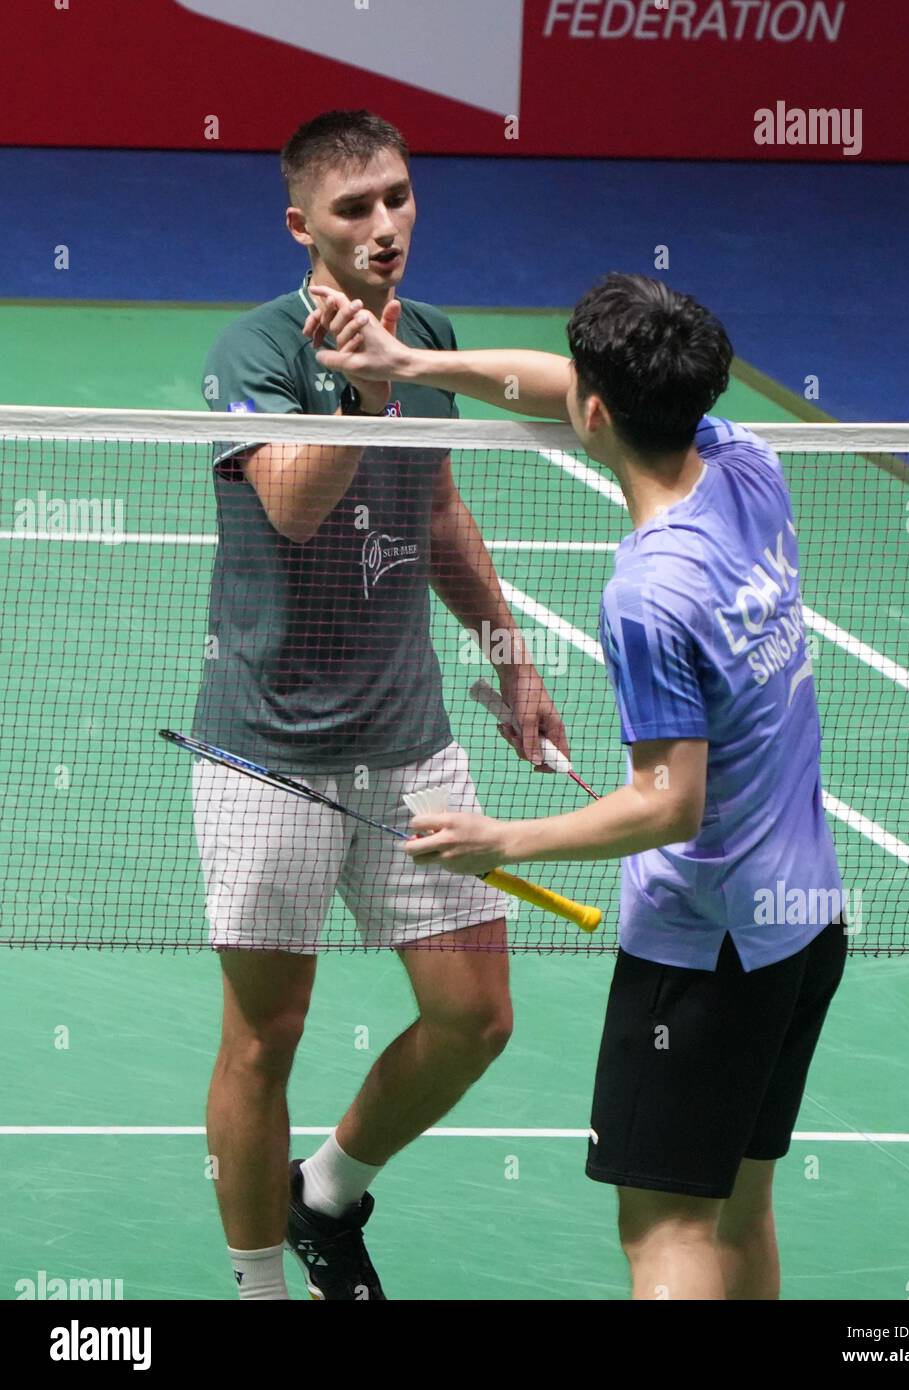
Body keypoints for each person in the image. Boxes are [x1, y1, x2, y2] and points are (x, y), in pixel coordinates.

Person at [310, 271, 848, 1300]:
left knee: (665, 1235)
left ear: (595, 412)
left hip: (704, 948)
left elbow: (665, 803)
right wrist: (410, 364)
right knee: (739, 1211)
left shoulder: (647, 590)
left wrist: (495, 840)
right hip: (805, 918)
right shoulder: (747, 464)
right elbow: (558, 380)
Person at [194, 109, 568, 1301]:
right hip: (270, 752)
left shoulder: (435, 339)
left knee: (476, 1015)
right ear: (302, 225)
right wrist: (360, 397)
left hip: (409, 740)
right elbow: (293, 507)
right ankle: (256, 1285)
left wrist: (509, 654)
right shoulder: (250, 354)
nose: (385, 225)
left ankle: (327, 1192)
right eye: (355, 209)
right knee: (269, 1031)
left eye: (399, 197)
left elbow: (440, 507)